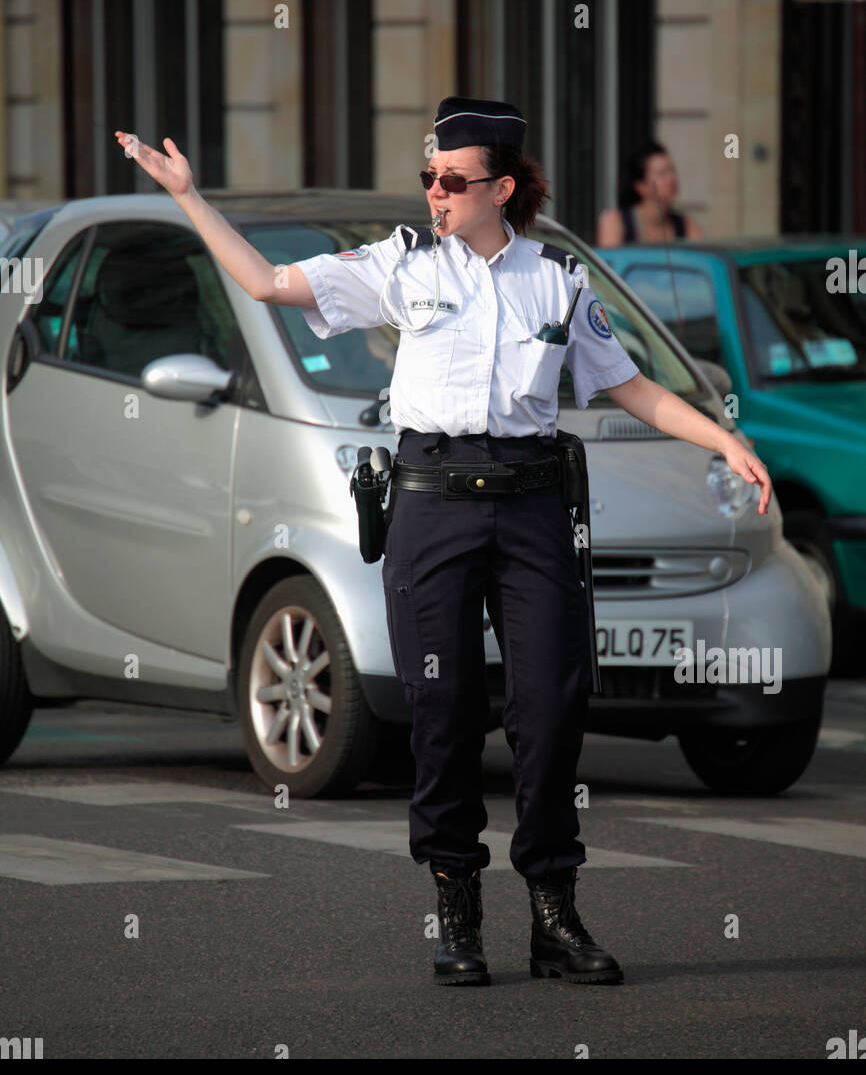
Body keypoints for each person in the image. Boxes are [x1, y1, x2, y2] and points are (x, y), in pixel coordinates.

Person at [115, 100, 771, 989]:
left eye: (453, 181)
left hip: (535, 506)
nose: (436, 193)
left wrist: (724, 440)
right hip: (432, 506)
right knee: (446, 711)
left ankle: (553, 912)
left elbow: (631, 389)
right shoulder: (400, 265)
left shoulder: (557, 280)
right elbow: (269, 284)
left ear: (501, 188)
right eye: (430, 177)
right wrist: (190, 196)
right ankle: (456, 909)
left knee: (550, 708)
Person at [596, 140, 703, 247]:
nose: (672, 179)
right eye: (662, 173)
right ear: (641, 186)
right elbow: (609, 262)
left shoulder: (685, 226)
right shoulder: (616, 222)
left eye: (672, 170)